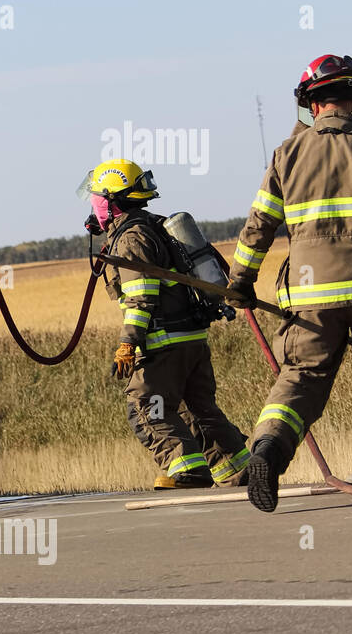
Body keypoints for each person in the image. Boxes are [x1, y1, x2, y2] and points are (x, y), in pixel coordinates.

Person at [226, 54, 352, 512]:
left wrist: (239, 281)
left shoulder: (288, 153)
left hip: (312, 295)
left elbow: (258, 226)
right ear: (351, 98)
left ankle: (268, 452)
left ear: (312, 104)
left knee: (301, 380)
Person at [82, 159, 249, 489]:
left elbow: (141, 296)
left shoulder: (131, 239)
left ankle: (188, 470)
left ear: (112, 201)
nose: (94, 206)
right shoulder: (155, 227)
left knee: (146, 408)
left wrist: (128, 343)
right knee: (197, 409)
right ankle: (241, 469)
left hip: (163, 343)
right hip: (192, 340)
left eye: (97, 198)